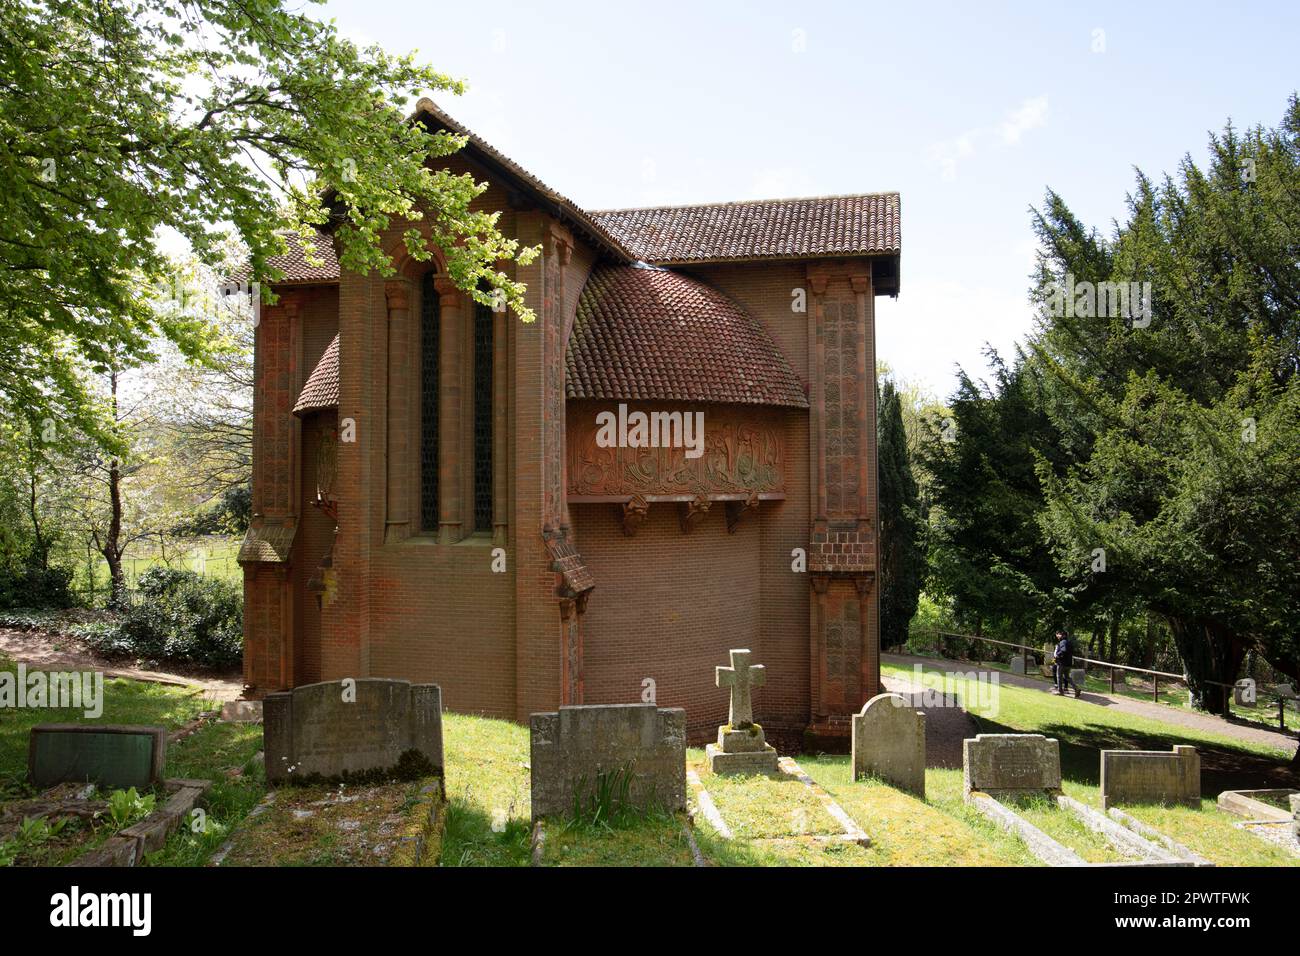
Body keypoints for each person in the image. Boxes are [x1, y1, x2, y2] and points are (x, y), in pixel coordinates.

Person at [1053, 631, 1082, 697]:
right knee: (1067, 677)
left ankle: (1060, 691)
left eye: (1059, 635)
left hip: (1062, 663)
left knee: (1059, 676)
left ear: (1063, 635)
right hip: (1068, 663)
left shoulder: (1063, 642)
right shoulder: (1069, 642)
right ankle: (1076, 689)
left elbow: (1064, 650)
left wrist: (1057, 655)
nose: (1057, 636)